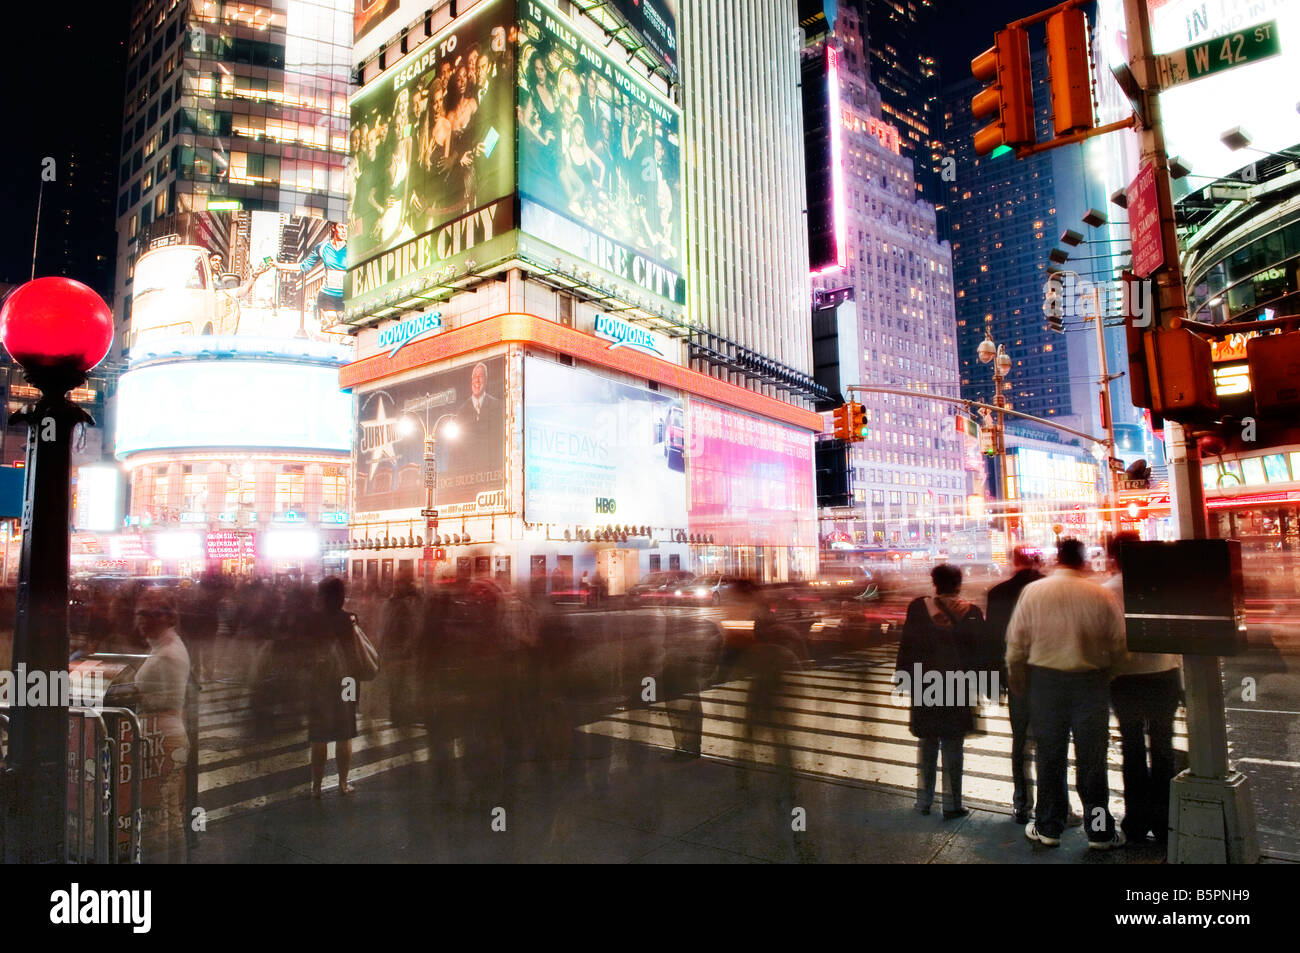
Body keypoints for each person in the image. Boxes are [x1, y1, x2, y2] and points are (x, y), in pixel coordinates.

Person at [1006, 538, 1128, 849]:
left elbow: (1016, 644)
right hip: (1090, 684)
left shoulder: (1034, 593)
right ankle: (1099, 831)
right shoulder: (1099, 594)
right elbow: (1119, 645)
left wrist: (1019, 679)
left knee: (1050, 757)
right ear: (1083, 561)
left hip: (1045, 685)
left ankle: (1049, 827)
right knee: (1092, 761)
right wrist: (1107, 675)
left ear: (1058, 559)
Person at [1105, 531, 1180, 846]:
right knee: (1163, 748)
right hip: (1165, 673)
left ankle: (1135, 822)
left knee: (1132, 749)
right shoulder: (1166, 584)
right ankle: (1165, 823)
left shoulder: (1108, 591)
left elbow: (1107, 639)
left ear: (1113, 558)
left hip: (1127, 679)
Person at [896, 564, 985, 820]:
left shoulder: (917, 608)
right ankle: (952, 804)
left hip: (926, 683)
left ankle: (923, 801)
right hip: (958, 685)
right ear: (959, 584)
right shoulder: (972, 612)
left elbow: (908, 646)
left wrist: (904, 679)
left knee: (928, 742)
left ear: (935, 583)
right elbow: (979, 653)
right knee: (954, 744)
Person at [130, 591, 192, 863]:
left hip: (161, 738)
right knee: (168, 812)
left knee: (159, 814)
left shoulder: (167, 653)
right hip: (168, 734)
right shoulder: (166, 646)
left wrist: (132, 694)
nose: (142, 619)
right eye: (140, 613)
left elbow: (155, 697)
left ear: (168, 617)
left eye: (150, 613)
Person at [985, 546, 1044, 824]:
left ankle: (1022, 803)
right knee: (1051, 742)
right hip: (1048, 674)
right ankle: (1054, 803)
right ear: (1035, 562)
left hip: (1015, 674)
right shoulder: (1048, 589)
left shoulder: (998, 593)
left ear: (1013, 562)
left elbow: (994, 641)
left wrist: (994, 681)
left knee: (1020, 740)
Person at [307, 576, 360, 798]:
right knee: (344, 732)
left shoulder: (312, 620)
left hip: (318, 682)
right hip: (346, 681)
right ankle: (342, 783)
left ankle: (316, 787)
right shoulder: (350, 619)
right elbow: (356, 655)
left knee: (319, 736)